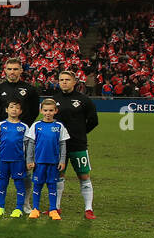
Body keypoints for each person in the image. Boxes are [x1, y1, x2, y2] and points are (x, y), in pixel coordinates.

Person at [48, 70, 99, 219]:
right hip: (57, 145)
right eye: (61, 79)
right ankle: (56, 207)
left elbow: (94, 121)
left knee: (84, 176)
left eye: (67, 79)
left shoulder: (84, 100)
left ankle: (88, 209)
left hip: (78, 145)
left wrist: (81, 133)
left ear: (74, 82)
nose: (64, 82)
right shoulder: (53, 100)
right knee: (58, 176)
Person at [26, 99, 71, 220]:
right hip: (39, 162)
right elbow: (31, 144)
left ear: (56, 111)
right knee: (37, 185)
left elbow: (62, 145)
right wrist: (29, 160)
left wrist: (62, 160)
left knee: (52, 186)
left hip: (53, 162)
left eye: (51, 110)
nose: (48, 113)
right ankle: (35, 209)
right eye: (45, 110)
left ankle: (53, 209)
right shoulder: (36, 125)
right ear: (41, 111)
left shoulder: (59, 126)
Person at [0, 100, 29, 216]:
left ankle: (19, 208)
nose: (14, 110)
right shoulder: (0, 125)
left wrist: (29, 161)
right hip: (3, 160)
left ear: (21, 111)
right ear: (6, 110)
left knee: (19, 184)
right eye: (11, 107)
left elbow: (29, 146)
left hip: (18, 161)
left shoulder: (24, 127)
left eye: (17, 108)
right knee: (2, 183)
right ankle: (1, 207)